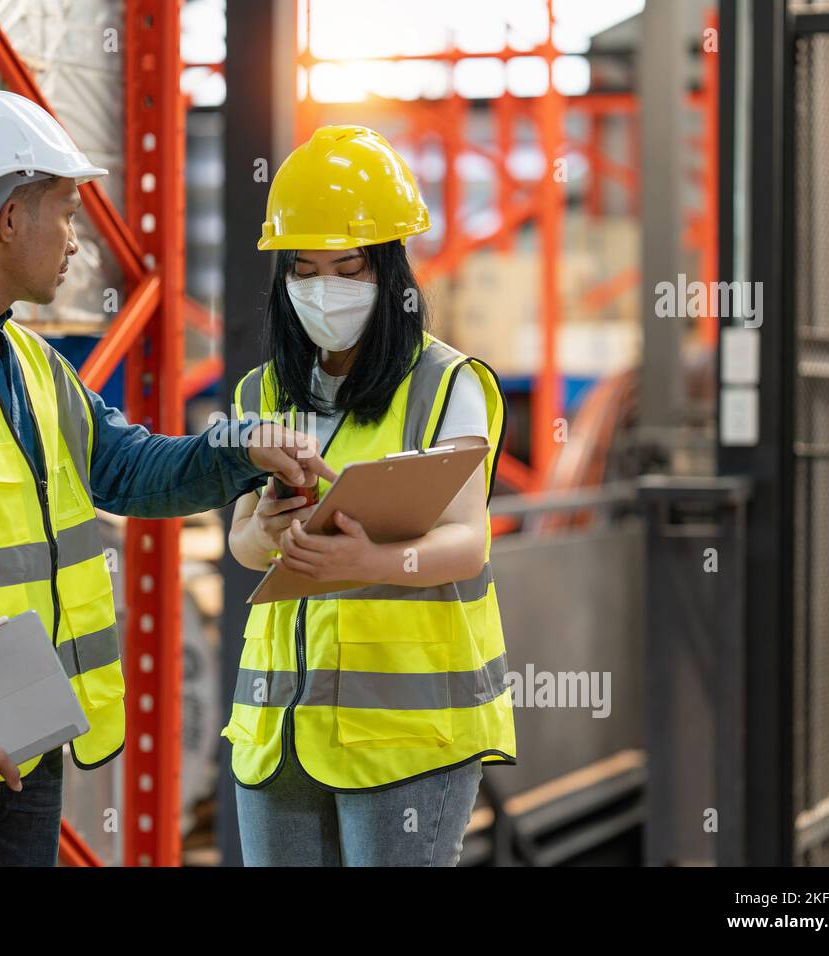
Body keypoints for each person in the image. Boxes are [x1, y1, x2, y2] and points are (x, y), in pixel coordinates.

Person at [0, 88, 332, 866]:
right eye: (68, 212)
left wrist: (242, 448)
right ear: (9, 218)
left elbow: (131, 471)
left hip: (24, 733)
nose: (76, 241)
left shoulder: (32, 365)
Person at [224, 125, 517, 867]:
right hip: (279, 733)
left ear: (389, 271)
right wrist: (266, 528)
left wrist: (368, 561)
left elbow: (467, 542)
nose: (325, 289)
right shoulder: (264, 390)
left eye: (348, 268)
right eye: (304, 270)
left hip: (405, 737)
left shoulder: (445, 386)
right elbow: (241, 543)